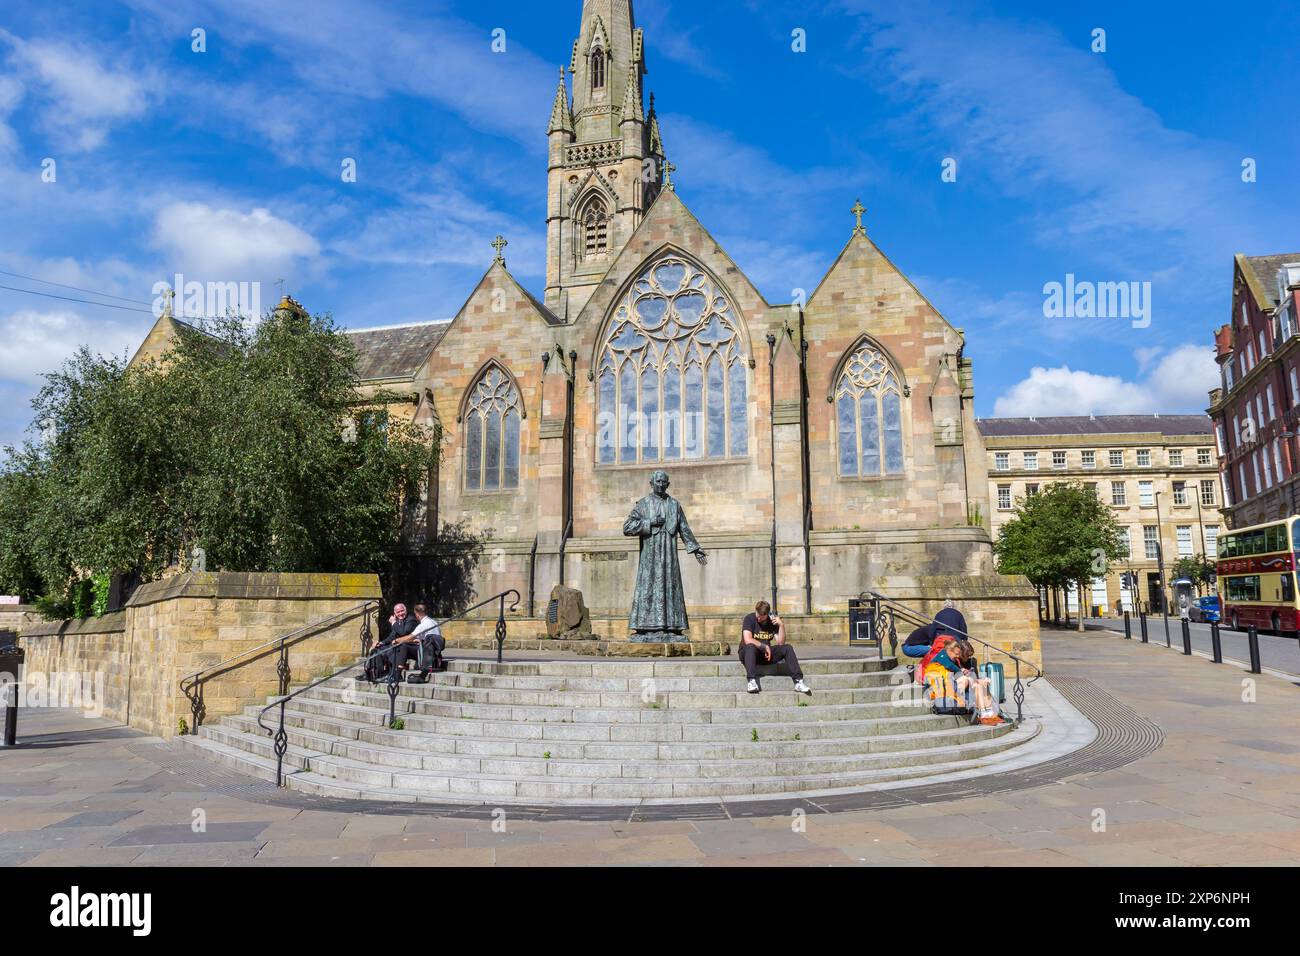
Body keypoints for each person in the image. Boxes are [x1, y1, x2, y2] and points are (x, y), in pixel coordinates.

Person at [739, 600, 812, 695]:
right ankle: (752, 681)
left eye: (762, 618)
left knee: (787, 648)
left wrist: (781, 625)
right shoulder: (749, 618)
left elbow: (780, 642)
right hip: (749, 654)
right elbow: (747, 639)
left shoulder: (772, 620)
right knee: (750, 647)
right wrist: (764, 646)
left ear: (767, 615)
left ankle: (798, 682)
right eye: (758, 616)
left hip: (766, 655)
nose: (758, 619)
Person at [924, 638, 1002, 724]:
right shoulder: (942, 657)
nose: (958, 656)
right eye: (956, 654)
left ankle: (988, 714)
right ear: (949, 650)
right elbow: (953, 670)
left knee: (980, 685)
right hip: (945, 689)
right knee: (970, 681)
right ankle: (984, 715)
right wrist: (965, 672)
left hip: (953, 684)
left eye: (959, 654)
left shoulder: (953, 659)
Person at [900, 598, 967, 659]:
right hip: (909, 647)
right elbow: (963, 629)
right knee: (936, 650)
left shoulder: (939, 615)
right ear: (953, 607)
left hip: (909, 645)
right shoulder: (958, 614)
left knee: (940, 650)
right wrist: (964, 641)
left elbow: (933, 630)